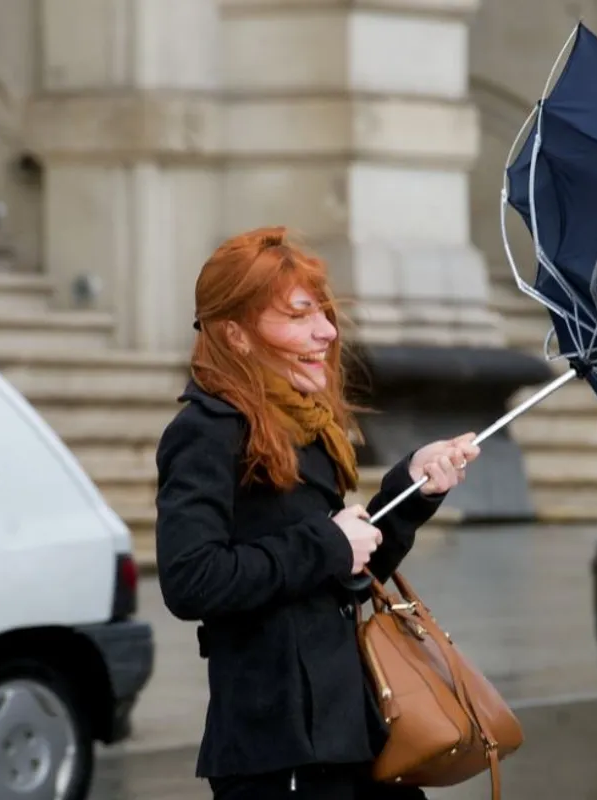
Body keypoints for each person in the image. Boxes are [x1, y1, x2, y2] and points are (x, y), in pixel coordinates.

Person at [155, 227, 481, 800]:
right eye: (300, 316)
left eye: (324, 315)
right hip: (278, 748)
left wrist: (412, 489)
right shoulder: (206, 432)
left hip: (353, 730)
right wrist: (326, 545)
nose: (327, 332)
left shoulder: (305, 430)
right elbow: (190, 579)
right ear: (236, 334)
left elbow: (346, 575)